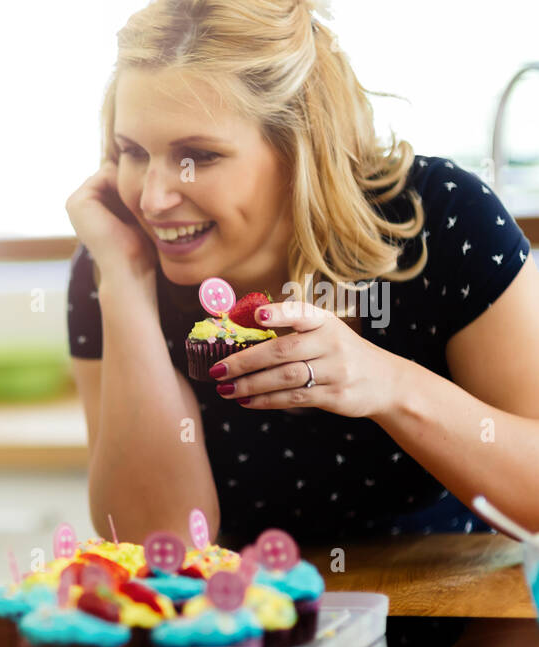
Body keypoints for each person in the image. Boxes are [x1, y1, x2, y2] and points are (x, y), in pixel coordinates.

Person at [65, 0, 539, 548]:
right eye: (134, 152)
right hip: (242, 625)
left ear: (300, 145)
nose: (152, 197)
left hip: (462, 619)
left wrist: (387, 384)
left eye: (198, 154)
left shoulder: (443, 220)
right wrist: (125, 282)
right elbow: (160, 544)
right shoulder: (114, 256)